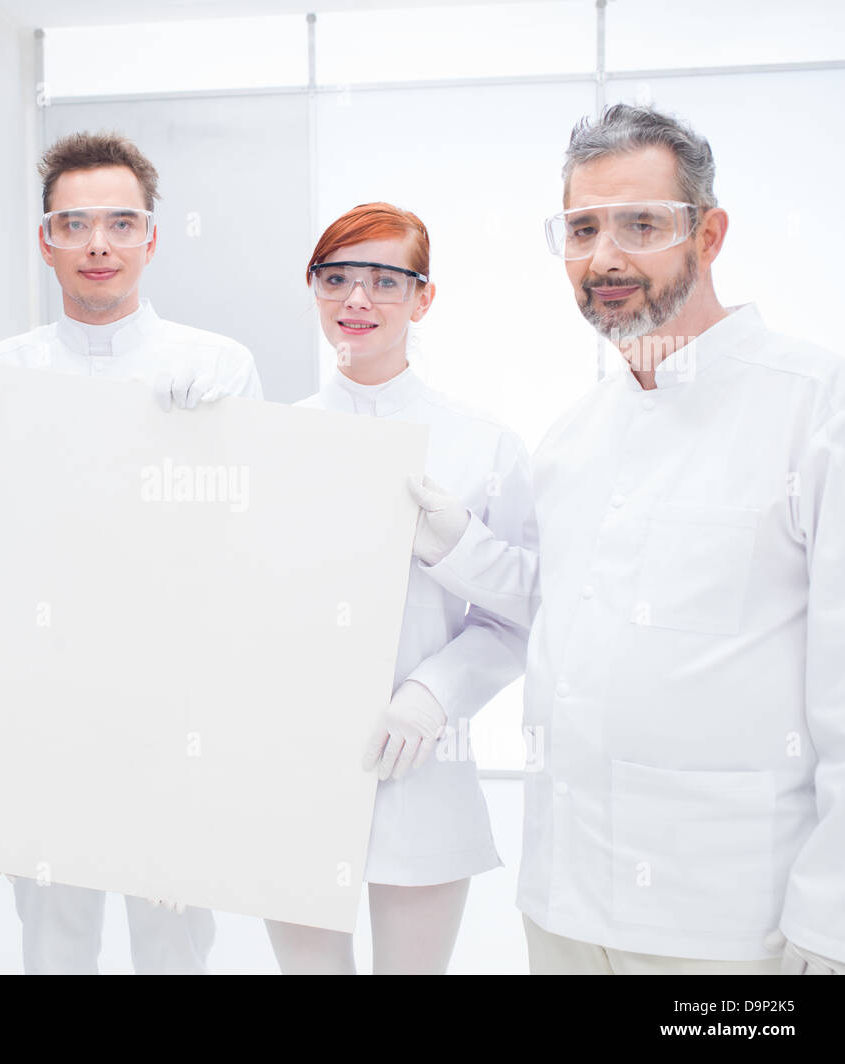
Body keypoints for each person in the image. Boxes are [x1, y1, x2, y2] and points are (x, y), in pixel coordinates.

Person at [411, 105, 845, 974]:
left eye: (640, 224)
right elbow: (574, 616)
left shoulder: (814, 407)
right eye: (582, 229)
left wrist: (830, 918)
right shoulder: (572, 437)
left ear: (710, 235)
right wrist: (457, 547)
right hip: (563, 909)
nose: (605, 258)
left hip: (732, 930)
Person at [0, 130, 263, 974]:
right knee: (53, 932)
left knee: (174, 934)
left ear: (151, 238)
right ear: (45, 241)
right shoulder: (1, 373)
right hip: (46, 700)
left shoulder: (218, 365)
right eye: (73, 224)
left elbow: (251, 539)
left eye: (119, 223)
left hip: (175, 703)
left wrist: (212, 446)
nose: (97, 244)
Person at [260, 203, 536, 974]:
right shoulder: (272, 440)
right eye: (337, 279)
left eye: (385, 281)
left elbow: (523, 608)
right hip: (295, 764)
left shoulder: (484, 443)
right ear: (312, 289)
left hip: (424, 765)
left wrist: (436, 691)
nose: (357, 300)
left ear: (424, 298)